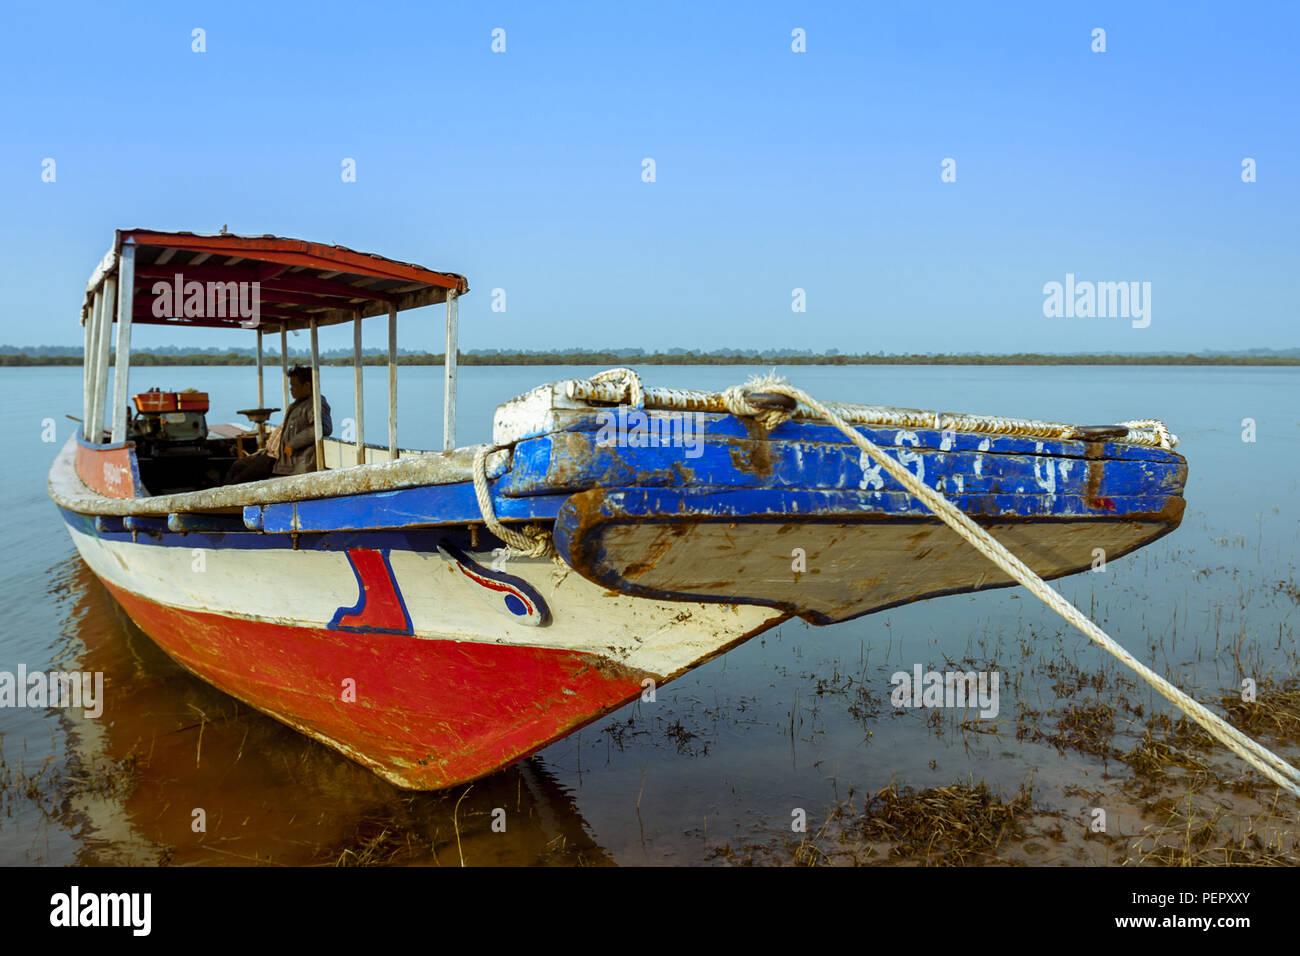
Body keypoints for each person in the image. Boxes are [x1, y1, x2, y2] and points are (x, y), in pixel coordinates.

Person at [225, 367, 332, 483]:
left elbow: (323, 427)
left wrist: (292, 444)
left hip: (283, 461)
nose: (291, 389)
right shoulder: (297, 404)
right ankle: (222, 497)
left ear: (306, 386)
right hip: (274, 456)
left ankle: (225, 497)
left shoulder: (316, 404)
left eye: (294, 386)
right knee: (237, 466)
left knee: (240, 479)